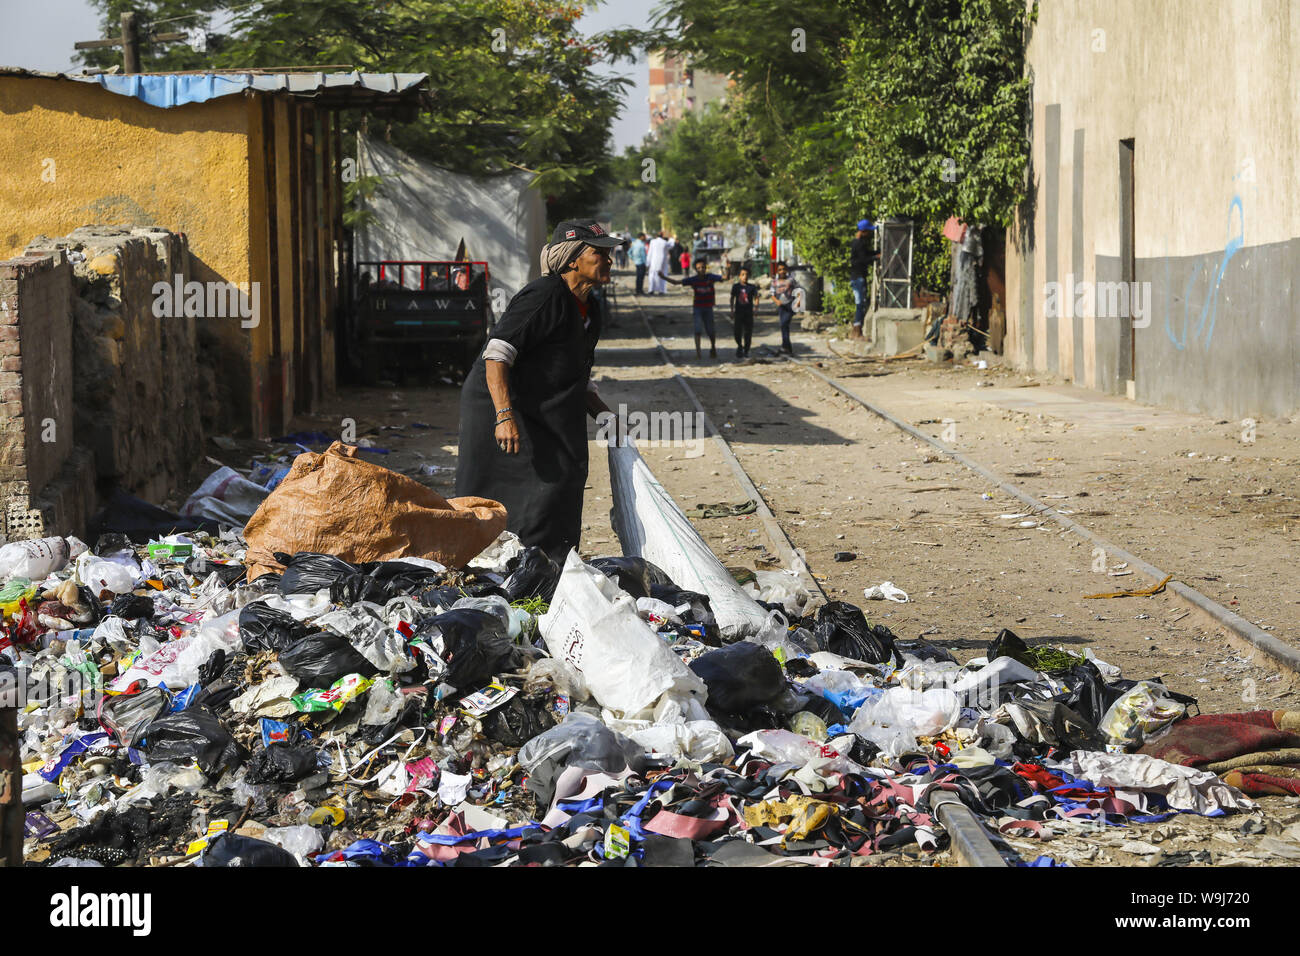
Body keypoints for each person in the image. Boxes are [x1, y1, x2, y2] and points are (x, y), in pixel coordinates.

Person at [455, 219, 621, 563]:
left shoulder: (592, 309)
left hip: (543, 405)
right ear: (573, 258)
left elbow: (577, 371)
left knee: (567, 473)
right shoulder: (544, 296)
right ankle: (510, 563)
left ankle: (550, 561)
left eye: (610, 254)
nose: (609, 261)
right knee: (521, 489)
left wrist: (605, 415)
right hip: (502, 403)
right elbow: (498, 354)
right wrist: (504, 416)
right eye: (600, 253)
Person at [662, 258, 724, 359]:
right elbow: (676, 282)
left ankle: (713, 347)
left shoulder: (711, 277)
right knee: (697, 330)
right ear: (696, 269)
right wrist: (663, 277)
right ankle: (698, 353)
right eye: (699, 268)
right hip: (698, 308)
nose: (701, 270)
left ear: (706, 268)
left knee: (711, 331)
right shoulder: (693, 280)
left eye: (703, 267)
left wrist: (728, 270)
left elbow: (723, 278)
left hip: (708, 307)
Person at [849, 218, 878, 338]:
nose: (870, 234)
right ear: (864, 231)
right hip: (858, 277)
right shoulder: (859, 244)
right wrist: (875, 258)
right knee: (860, 303)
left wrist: (875, 253)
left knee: (860, 303)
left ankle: (857, 328)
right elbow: (863, 259)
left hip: (857, 277)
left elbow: (866, 254)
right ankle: (857, 329)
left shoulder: (858, 243)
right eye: (868, 231)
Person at [769, 261, 801, 355]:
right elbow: (772, 294)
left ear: (786, 270)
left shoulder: (791, 280)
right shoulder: (774, 282)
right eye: (780, 270)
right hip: (781, 306)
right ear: (777, 271)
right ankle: (787, 347)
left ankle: (785, 347)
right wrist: (777, 301)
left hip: (790, 305)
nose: (782, 271)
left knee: (784, 324)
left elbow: (799, 291)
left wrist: (798, 302)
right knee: (783, 326)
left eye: (783, 269)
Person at [729, 266, 758, 359]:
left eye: (746, 275)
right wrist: (732, 310)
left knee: (748, 332)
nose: (744, 277)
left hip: (748, 313)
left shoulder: (752, 287)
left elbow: (756, 297)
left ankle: (746, 349)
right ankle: (739, 346)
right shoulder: (736, 287)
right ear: (739, 276)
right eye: (742, 275)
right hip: (739, 312)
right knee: (737, 331)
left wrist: (756, 309)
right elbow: (732, 298)